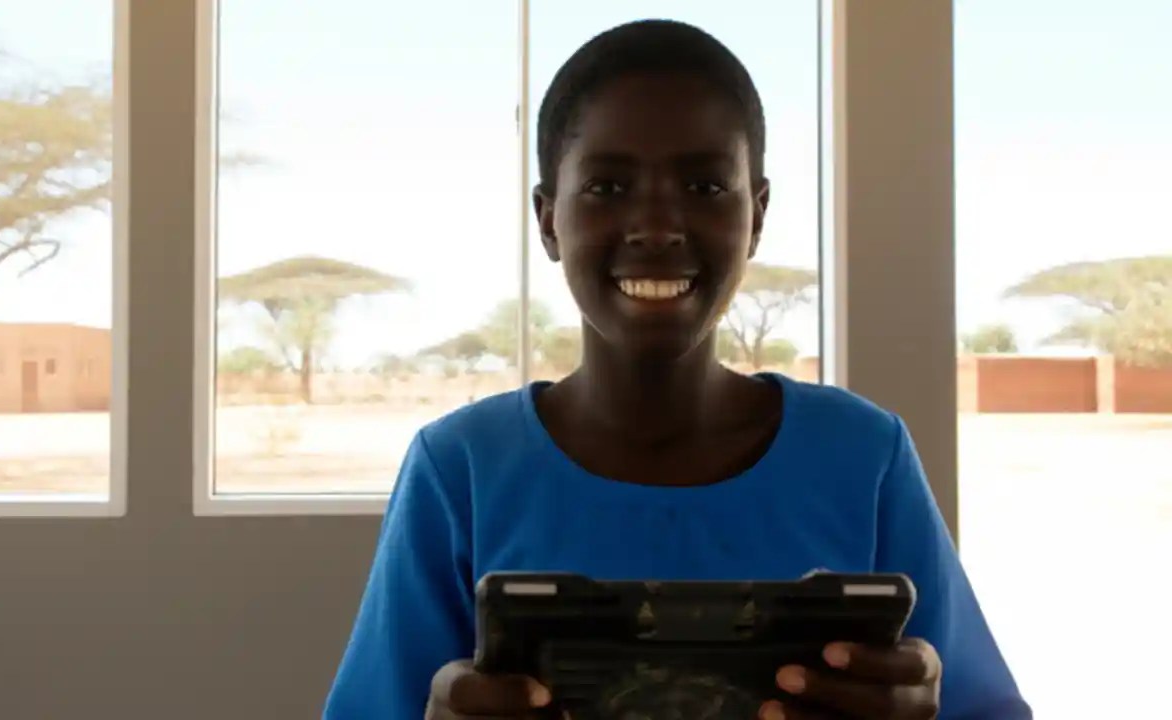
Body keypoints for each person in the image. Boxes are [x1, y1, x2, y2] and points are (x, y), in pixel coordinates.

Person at [324, 19, 1030, 720]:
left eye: (703, 185)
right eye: (606, 187)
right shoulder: (460, 471)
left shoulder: (864, 457)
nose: (657, 225)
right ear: (547, 220)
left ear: (756, 216)